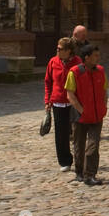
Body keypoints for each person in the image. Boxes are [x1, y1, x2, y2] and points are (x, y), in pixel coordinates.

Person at [65, 43, 108, 185]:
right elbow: (70, 95)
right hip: (80, 116)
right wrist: (82, 110)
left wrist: (104, 107)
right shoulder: (74, 72)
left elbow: (104, 91)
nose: (98, 58)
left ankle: (90, 174)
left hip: (97, 115)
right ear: (87, 58)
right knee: (79, 145)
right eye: (95, 56)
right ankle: (79, 172)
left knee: (93, 146)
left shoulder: (100, 71)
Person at [43, 37, 82, 173]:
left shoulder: (78, 63)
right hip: (58, 102)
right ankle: (65, 161)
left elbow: (83, 83)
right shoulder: (53, 62)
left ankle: (80, 160)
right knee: (61, 134)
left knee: (77, 132)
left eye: (60, 49)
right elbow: (48, 82)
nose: (57, 51)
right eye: (57, 48)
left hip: (74, 103)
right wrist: (47, 100)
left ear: (69, 51)